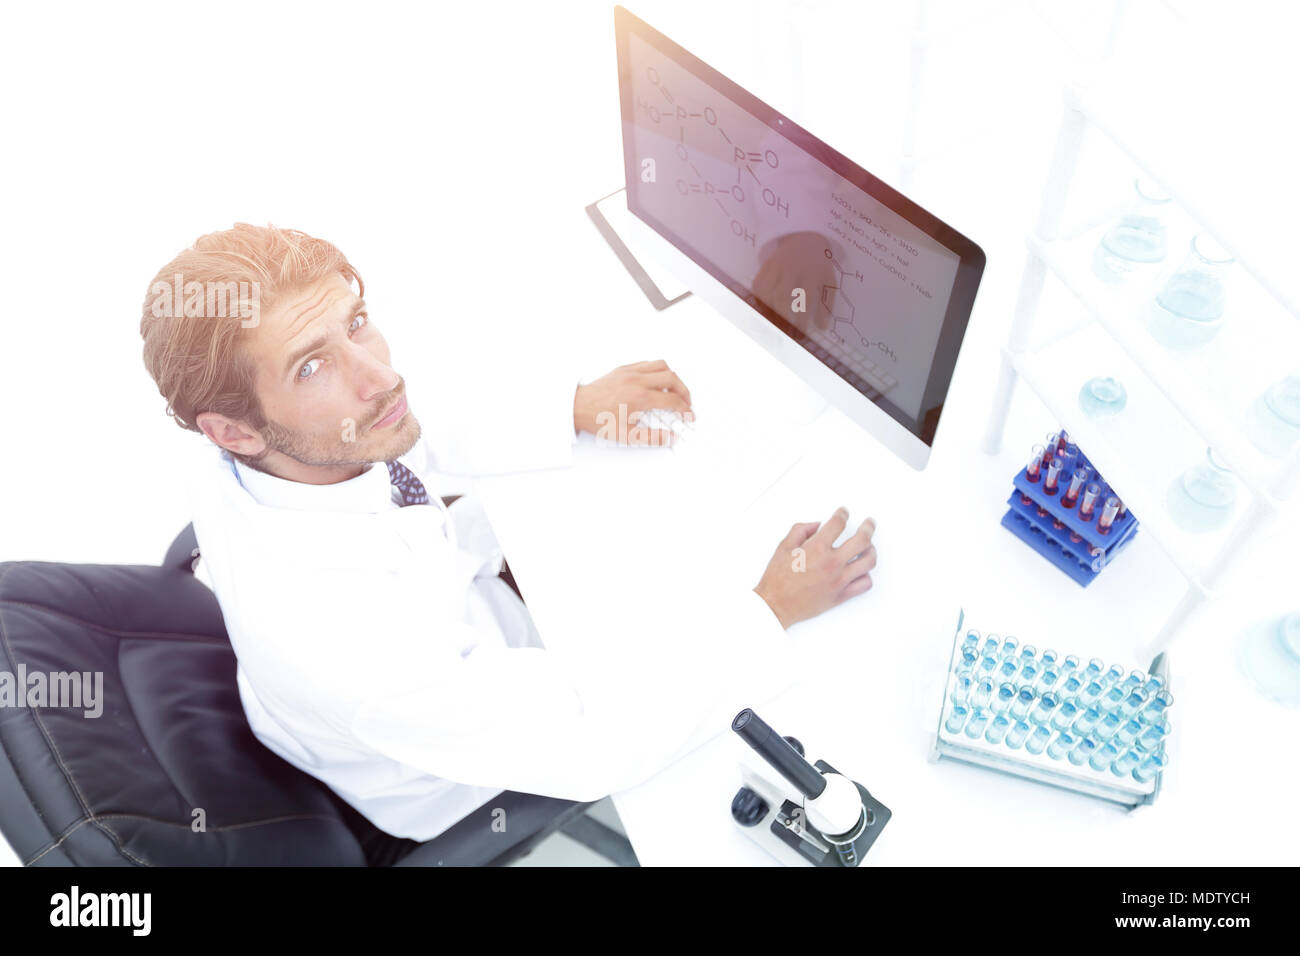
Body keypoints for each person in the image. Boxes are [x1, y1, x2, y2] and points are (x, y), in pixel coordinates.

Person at [139, 223, 878, 853]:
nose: (381, 376)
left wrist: (573, 406)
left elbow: (409, 433)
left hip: (453, 604)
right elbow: (596, 747)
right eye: (311, 365)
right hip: (446, 760)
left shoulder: (276, 443)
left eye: (357, 321)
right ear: (231, 431)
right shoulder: (345, 644)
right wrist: (769, 612)